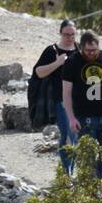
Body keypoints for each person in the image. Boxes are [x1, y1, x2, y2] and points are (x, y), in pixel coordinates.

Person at [61, 30, 102, 178]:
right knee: (87, 156)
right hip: (83, 117)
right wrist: (71, 118)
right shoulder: (72, 62)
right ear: (81, 47)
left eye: (94, 50)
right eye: (87, 50)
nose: (91, 53)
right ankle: (90, 187)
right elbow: (66, 93)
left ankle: (97, 178)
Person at [32, 19, 79, 173]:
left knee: (78, 137)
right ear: (60, 33)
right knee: (67, 134)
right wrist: (58, 63)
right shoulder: (51, 51)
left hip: (82, 101)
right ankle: (68, 173)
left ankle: (76, 172)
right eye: (67, 34)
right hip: (61, 101)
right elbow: (38, 72)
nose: (70, 38)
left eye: (73, 34)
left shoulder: (80, 50)